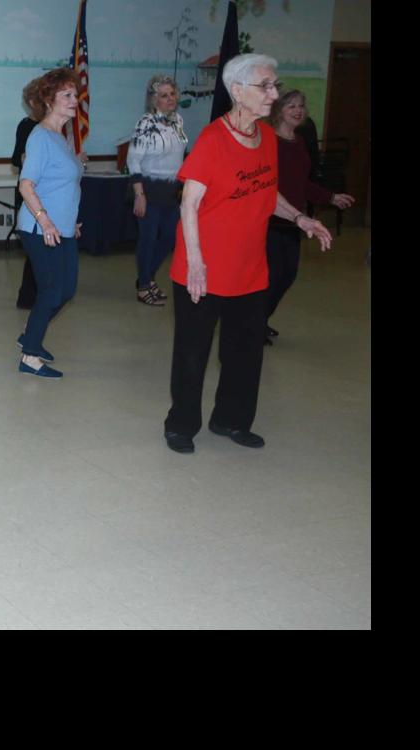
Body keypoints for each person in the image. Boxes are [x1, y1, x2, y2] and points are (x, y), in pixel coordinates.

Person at [163, 53, 329, 454]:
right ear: (238, 91)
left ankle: (231, 420)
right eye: (265, 86)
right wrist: (196, 262)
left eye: (275, 85)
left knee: (245, 351)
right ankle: (181, 425)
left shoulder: (267, 138)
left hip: (250, 269)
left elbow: (267, 192)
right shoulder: (212, 139)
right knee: (192, 353)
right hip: (203, 269)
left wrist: (300, 218)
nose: (274, 94)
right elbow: (189, 203)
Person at [263, 89, 353, 342]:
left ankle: (259, 320)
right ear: (279, 110)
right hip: (270, 219)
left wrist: (331, 197)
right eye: (291, 106)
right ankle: (252, 325)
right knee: (272, 275)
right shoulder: (268, 140)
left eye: (301, 106)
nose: (298, 111)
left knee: (288, 275)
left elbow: (302, 183)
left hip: (294, 220)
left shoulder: (299, 141)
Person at [13, 68, 83, 380]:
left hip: (63, 227)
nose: (74, 100)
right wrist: (46, 221)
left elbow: (63, 185)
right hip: (39, 228)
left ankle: (30, 335)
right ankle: (30, 355)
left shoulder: (61, 137)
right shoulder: (40, 137)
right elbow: (26, 185)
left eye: (75, 94)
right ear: (49, 101)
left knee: (67, 289)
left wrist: (70, 221)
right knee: (52, 291)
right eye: (67, 95)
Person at [128, 74, 187, 307]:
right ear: (154, 99)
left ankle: (147, 277)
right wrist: (139, 195)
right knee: (148, 239)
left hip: (171, 190)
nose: (170, 99)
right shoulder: (145, 123)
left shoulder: (178, 121)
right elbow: (133, 160)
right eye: (164, 95)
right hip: (148, 188)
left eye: (172, 94)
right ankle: (144, 286)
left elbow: (180, 156)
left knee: (171, 237)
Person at [11, 114, 37, 309]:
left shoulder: (58, 129)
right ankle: (28, 297)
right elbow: (16, 158)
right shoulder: (28, 126)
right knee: (35, 251)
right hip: (31, 193)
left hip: (48, 195)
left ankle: (37, 295)